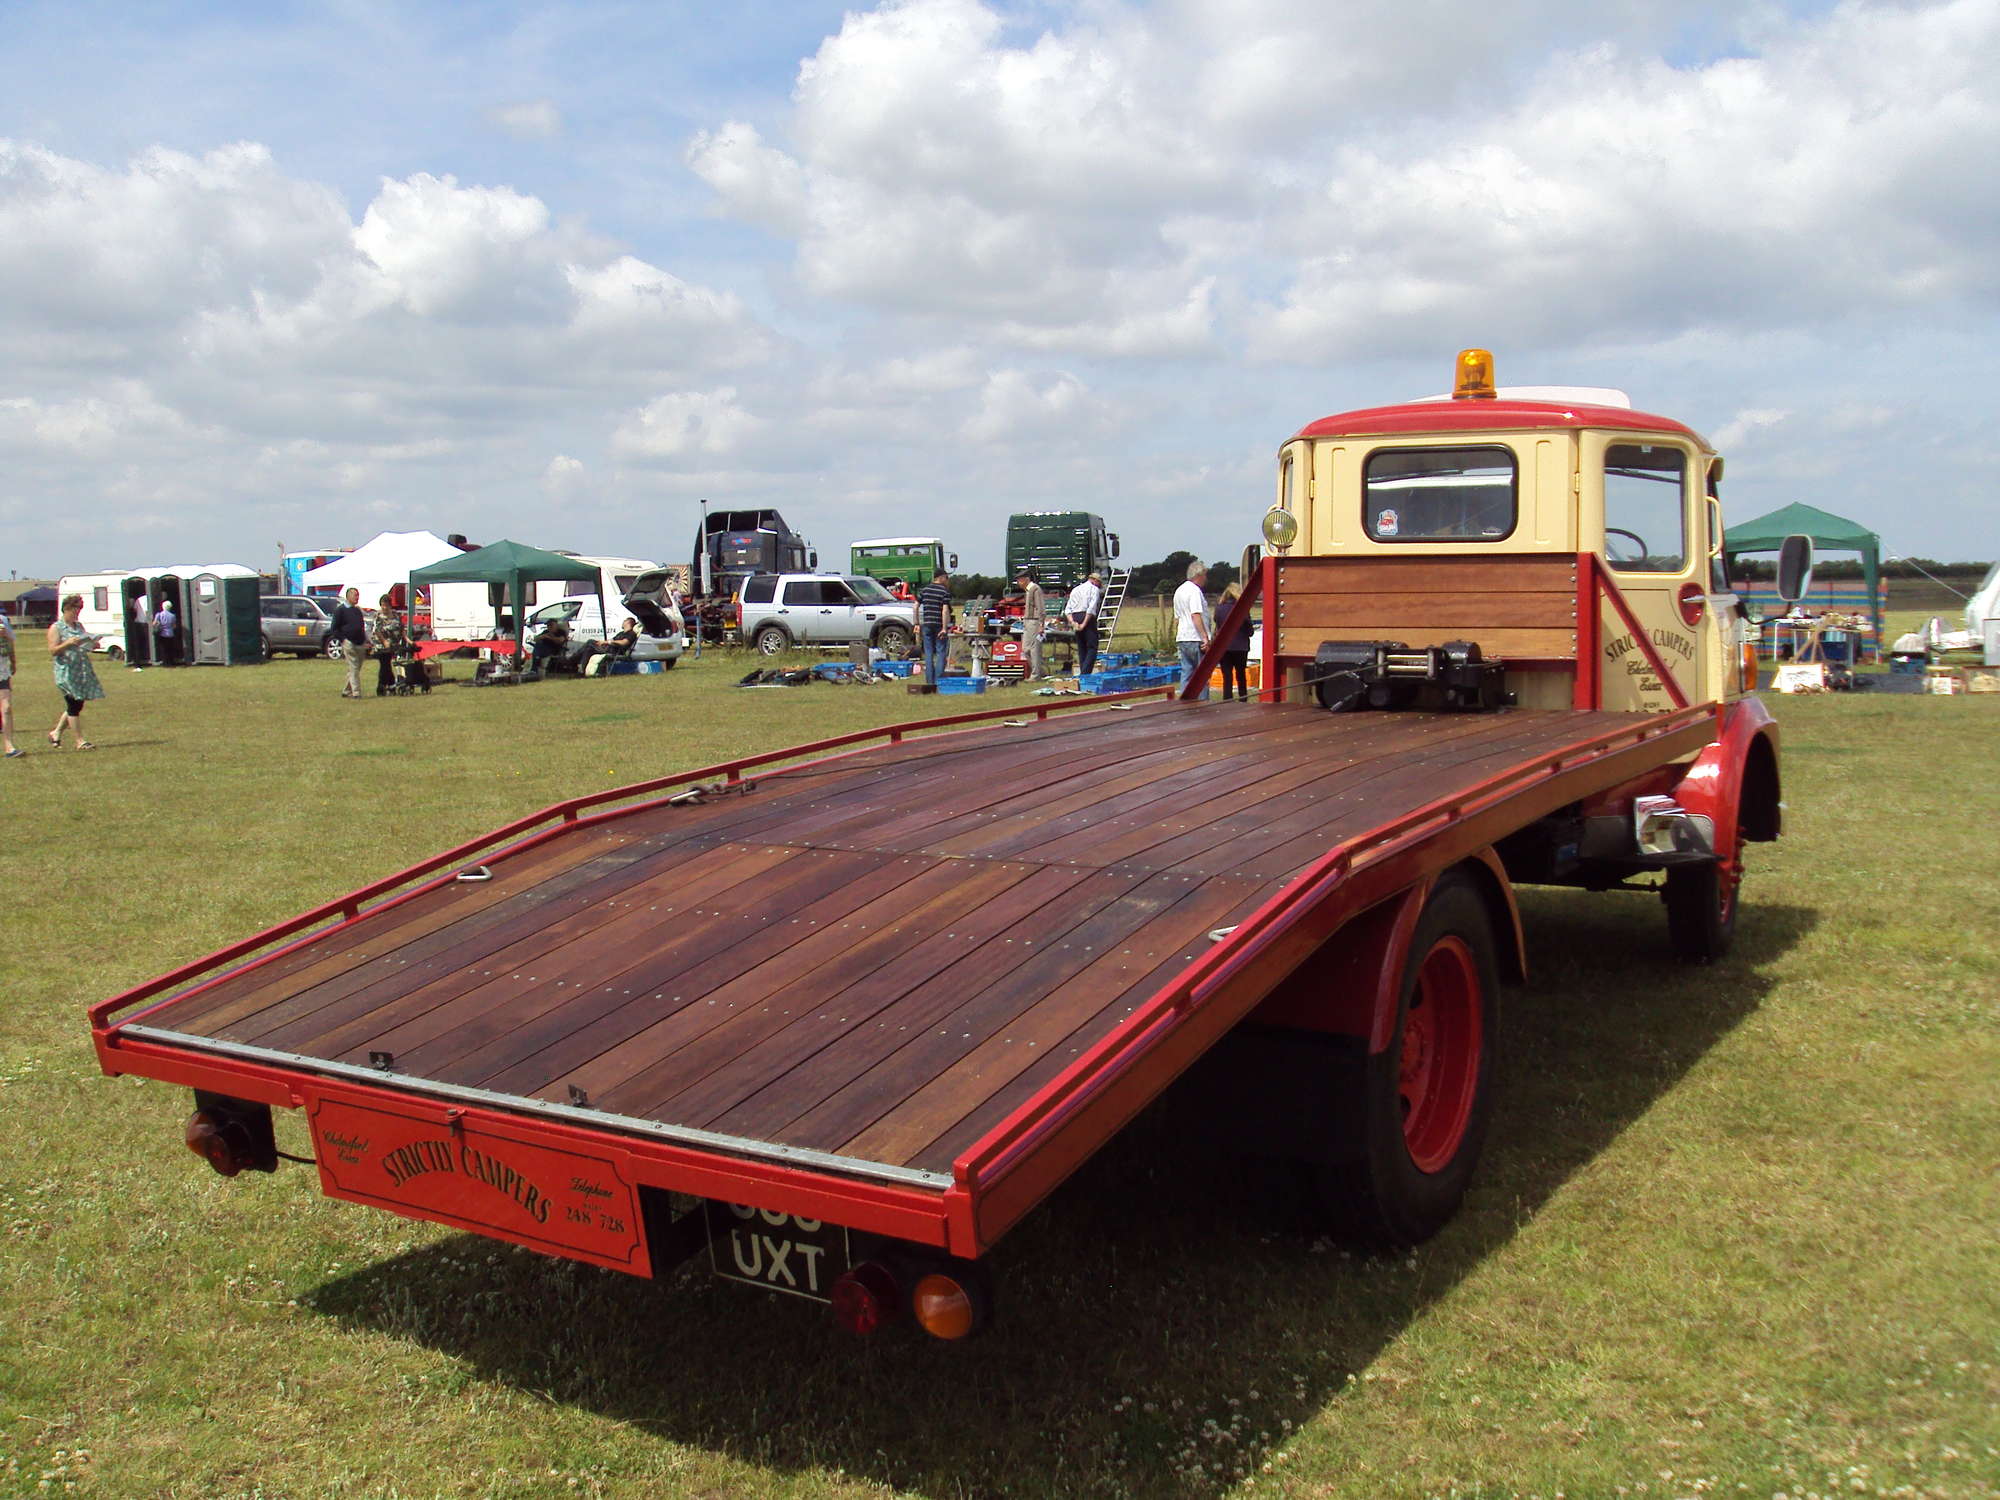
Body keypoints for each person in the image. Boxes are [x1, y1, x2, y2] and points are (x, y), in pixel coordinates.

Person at [46, 593, 106, 748]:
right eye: (75, 610)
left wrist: (93, 644)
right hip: (66, 671)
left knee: (77, 704)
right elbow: (53, 650)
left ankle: (56, 733)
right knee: (73, 704)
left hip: (81, 670)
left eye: (79, 610)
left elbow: (83, 645)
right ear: (67, 609)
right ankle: (80, 741)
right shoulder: (56, 628)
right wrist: (67, 643)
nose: (77, 613)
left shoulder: (78, 626)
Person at [1173, 560, 1212, 701]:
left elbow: (1177, 617)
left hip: (1182, 637)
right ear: (1199, 575)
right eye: (1204, 575)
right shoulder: (1195, 591)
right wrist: (1205, 637)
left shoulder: (1179, 590)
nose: (1206, 579)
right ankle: (1202, 703)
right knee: (1201, 674)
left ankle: (1184, 702)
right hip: (1195, 637)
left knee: (1187, 673)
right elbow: (1195, 614)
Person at [327, 587, 369, 699]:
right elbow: (334, 628)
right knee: (354, 666)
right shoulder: (340, 610)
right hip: (348, 642)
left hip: (360, 642)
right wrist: (343, 639)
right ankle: (356, 692)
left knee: (356, 668)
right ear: (348, 596)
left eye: (358, 595)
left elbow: (361, 627)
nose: (357, 597)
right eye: (355, 595)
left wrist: (366, 640)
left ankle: (346, 691)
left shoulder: (357, 610)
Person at [370, 595, 415, 694]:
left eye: (386, 605)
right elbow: (377, 630)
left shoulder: (396, 615)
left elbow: (401, 629)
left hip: (393, 644)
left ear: (390, 605)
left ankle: (390, 686)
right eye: (382, 605)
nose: (384, 608)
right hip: (381, 645)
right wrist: (384, 642)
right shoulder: (378, 616)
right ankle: (382, 686)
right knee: (385, 665)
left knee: (387, 665)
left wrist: (408, 640)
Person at [1217, 582, 1254, 702]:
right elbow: (1250, 631)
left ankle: (1227, 700)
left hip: (1224, 647)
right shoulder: (1242, 608)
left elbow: (1217, 625)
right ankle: (1243, 700)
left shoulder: (1219, 609)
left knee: (1227, 676)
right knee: (1241, 675)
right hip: (1240, 647)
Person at [916, 569, 954, 684]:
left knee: (928, 653)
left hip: (927, 624)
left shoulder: (924, 590)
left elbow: (915, 606)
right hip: (938, 625)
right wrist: (944, 628)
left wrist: (916, 623)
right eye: (946, 578)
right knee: (941, 652)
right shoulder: (944, 591)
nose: (947, 581)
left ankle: (929, 682)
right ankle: (938, 681)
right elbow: (945, 610)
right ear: (941, 577)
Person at [1066, 570, 1104, 677]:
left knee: (1081, 647)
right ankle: (1085, 673)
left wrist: (1073, 622)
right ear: (1095, 581)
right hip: (1086, 617)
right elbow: (1091, 608)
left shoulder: (1076, 589)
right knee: (1092, 647)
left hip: (1075, 616)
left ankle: (1083, 671)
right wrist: (1084, 623)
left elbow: (1067, 610)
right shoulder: (1094, 589)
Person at [1017, 569, 1045, 680]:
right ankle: (1039, 671)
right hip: (1027, 621)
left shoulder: (1035, 589)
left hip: (1034, 621)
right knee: (1025, 649)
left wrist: (1041, 624)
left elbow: (1040, 607)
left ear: (1026, 579)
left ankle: (1035, 675)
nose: (1018, 583)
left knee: (1034, 649)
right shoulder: (1027, 591)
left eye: (1019, 580)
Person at [0, 612, 21, 757]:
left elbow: (11, 643)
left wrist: (13, 662)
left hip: (2, 671)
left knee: (6, 708)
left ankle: (9, 746)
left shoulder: (2, 620)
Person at [152, 596, 179, 666]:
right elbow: (174, 626)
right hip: (171, 634)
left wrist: (159, 625)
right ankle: (171, 662)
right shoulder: (173, 615)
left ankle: (165, 662)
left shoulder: (159, 614)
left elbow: (154, 624)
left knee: (164, 649)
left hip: (162, 633)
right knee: (170, 649)